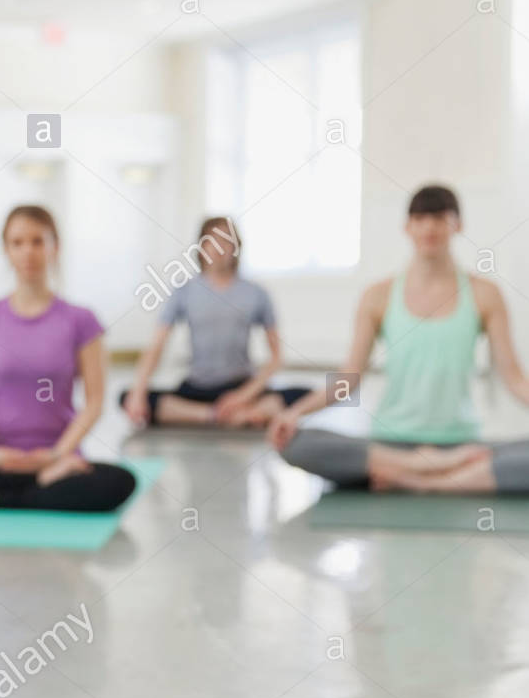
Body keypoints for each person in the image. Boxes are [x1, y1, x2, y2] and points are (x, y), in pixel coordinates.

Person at [269, 184, 529, 493]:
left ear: (458, 225)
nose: (429, 226)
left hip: (460, 444)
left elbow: (514, 379)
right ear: (407, 227)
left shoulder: (485, 294)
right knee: (296, 443)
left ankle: (426, 482)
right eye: (420, 218)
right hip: (391, 444)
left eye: (439, 217)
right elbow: (348, 379)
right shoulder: (377, 296)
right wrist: (293, 413)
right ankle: (434, 472)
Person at [0, 206, 137, 512]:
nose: (28, 252)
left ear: (54, 248)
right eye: (17, 242)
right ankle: (35, 491)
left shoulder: (81, 320)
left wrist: (58, 454)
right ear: (6, 250)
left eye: (37, 241)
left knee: (120, 482)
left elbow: (95, 401)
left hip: (59, 462)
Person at [121, 217, 310, 428]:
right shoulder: (184, 291)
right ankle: (222, 415)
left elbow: (276, 357)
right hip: (197, 389)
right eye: (212, 241)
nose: (219, 248)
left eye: (226, 241)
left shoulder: (257, 293)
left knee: (304, 395)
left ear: (236, 247)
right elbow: (156, 346)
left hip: (242, 386)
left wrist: (243, 395)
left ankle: (240, 410)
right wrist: (138, 392)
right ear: (202, 246)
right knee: (127, 396)